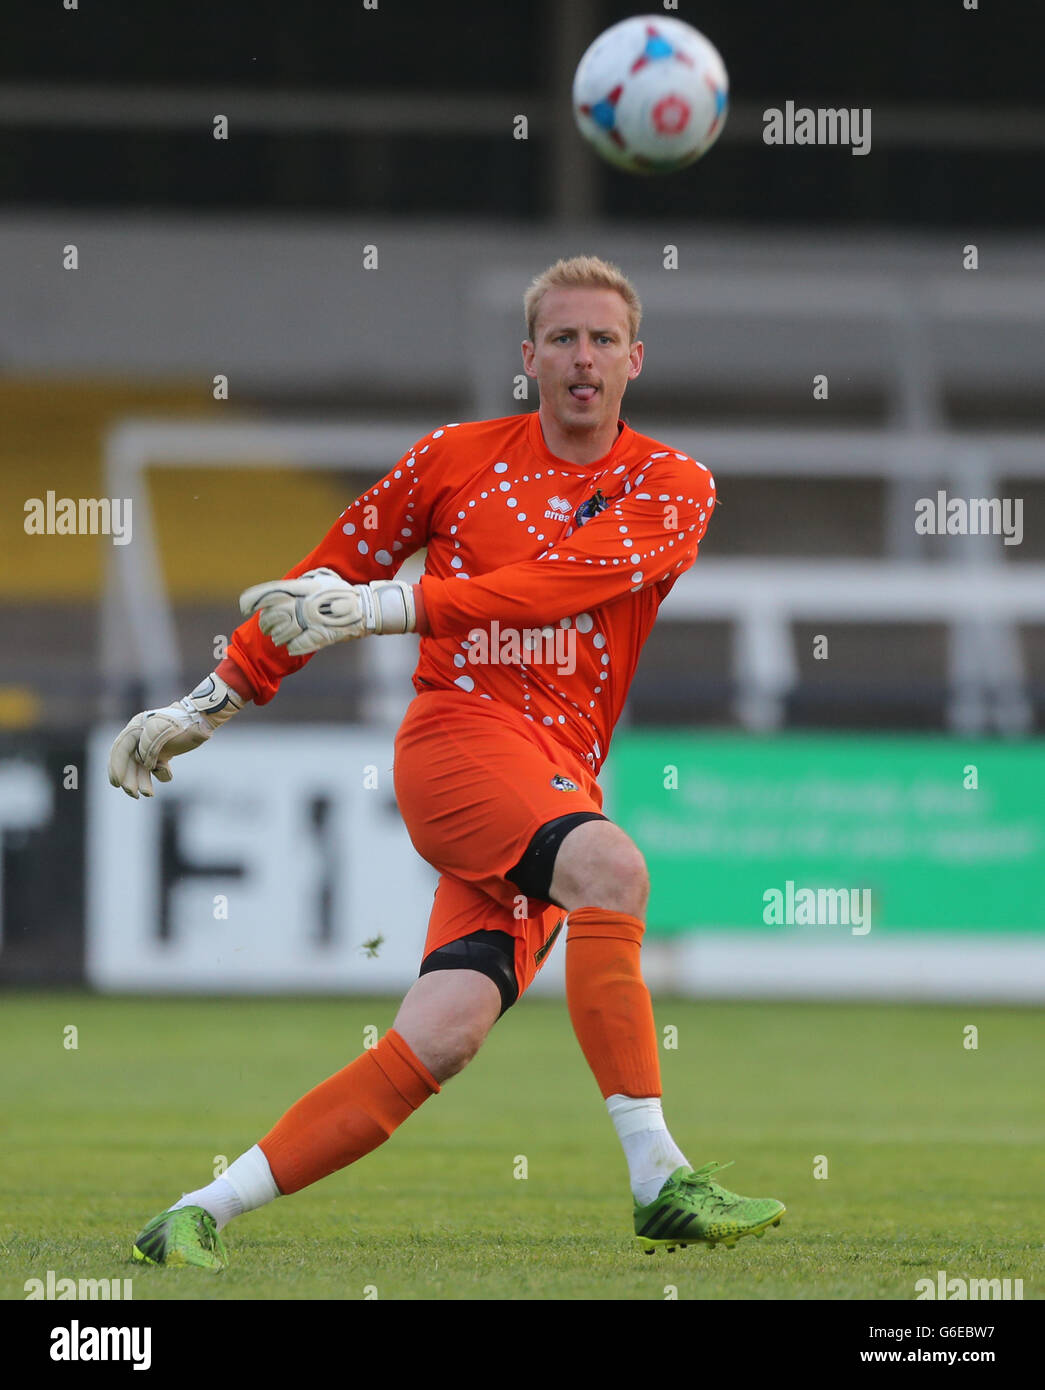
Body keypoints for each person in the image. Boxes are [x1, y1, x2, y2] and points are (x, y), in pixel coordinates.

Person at [109, 255, 785, 1270]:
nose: (583, 357)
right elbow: (321, 579)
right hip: (457, 747)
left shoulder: (669, 486)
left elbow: (549, 586)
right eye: (562, 338)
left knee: (442, 1034)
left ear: (634, 359)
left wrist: (387, 607)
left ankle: (198, 1210)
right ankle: (658, 1175)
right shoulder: (452, 459)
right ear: (529, 358)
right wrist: (207, 703)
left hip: (556, 782)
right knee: (614, 871)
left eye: (603, 339)